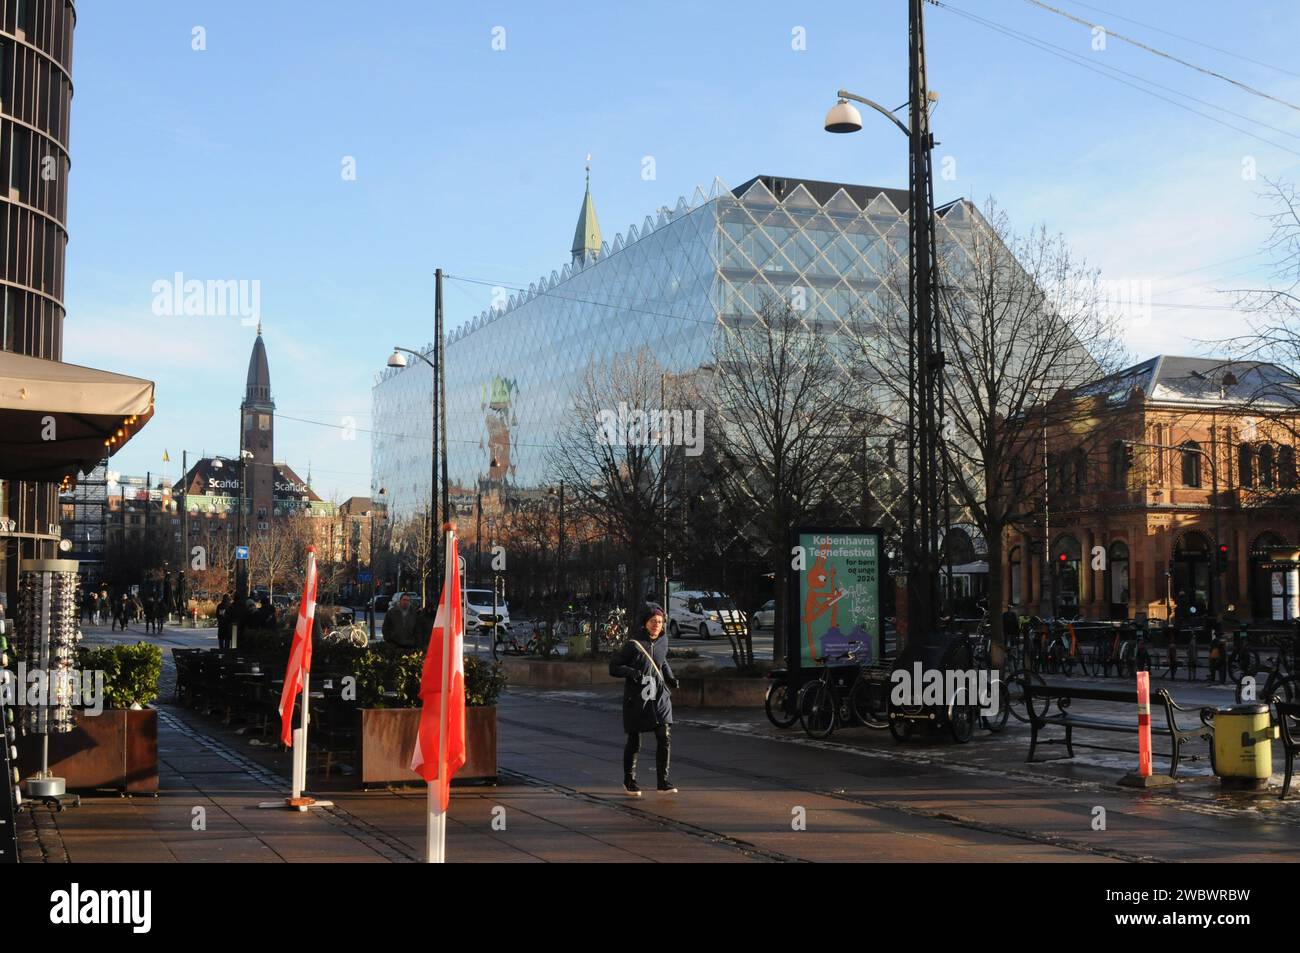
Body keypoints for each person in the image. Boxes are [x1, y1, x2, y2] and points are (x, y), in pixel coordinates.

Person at [608, 604, 679, 796]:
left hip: (659, 696)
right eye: (652, 622)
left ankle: (663, 782)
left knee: (664, 735)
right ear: (645, 624)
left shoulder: (663, 641)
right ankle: (629, 780)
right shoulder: (634, 645)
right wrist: (631, 672)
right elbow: (613, 667)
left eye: (659, 622)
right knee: (635, 741)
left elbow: (661, 661)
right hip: (637, 698)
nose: (656, 625)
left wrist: (670, 677)